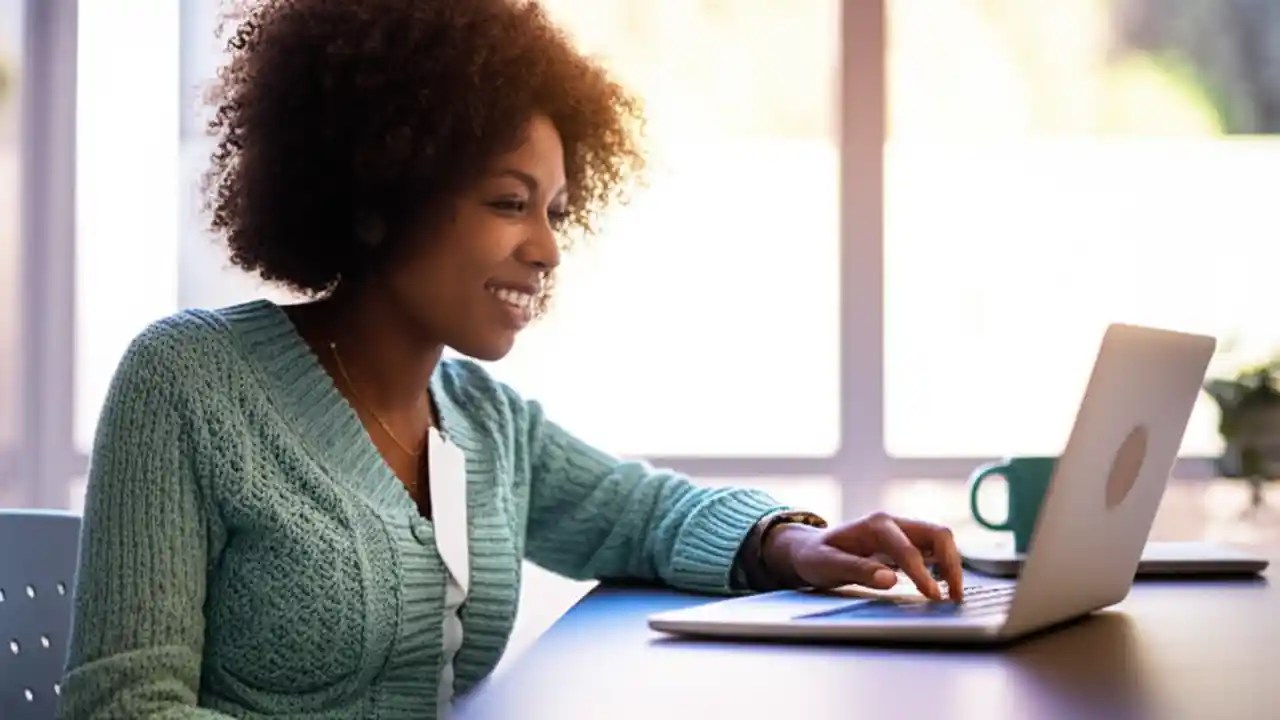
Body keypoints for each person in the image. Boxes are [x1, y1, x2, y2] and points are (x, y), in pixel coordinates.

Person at [57, 1, 964, 717]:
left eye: (557, 211)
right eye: (508, 202)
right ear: (380, 192)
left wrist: (795, 542)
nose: (547, 248)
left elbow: (643, 514)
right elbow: (124, 707)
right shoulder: (187, 383)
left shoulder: (485, 422)